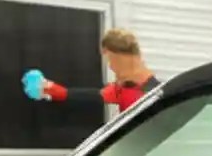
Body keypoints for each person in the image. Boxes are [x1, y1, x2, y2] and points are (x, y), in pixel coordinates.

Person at [22, 28, 160, 113]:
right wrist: (49, 88)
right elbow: (92, 96)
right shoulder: (122, 89)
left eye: (112, 60)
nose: (111, 67)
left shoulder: (154, 95)